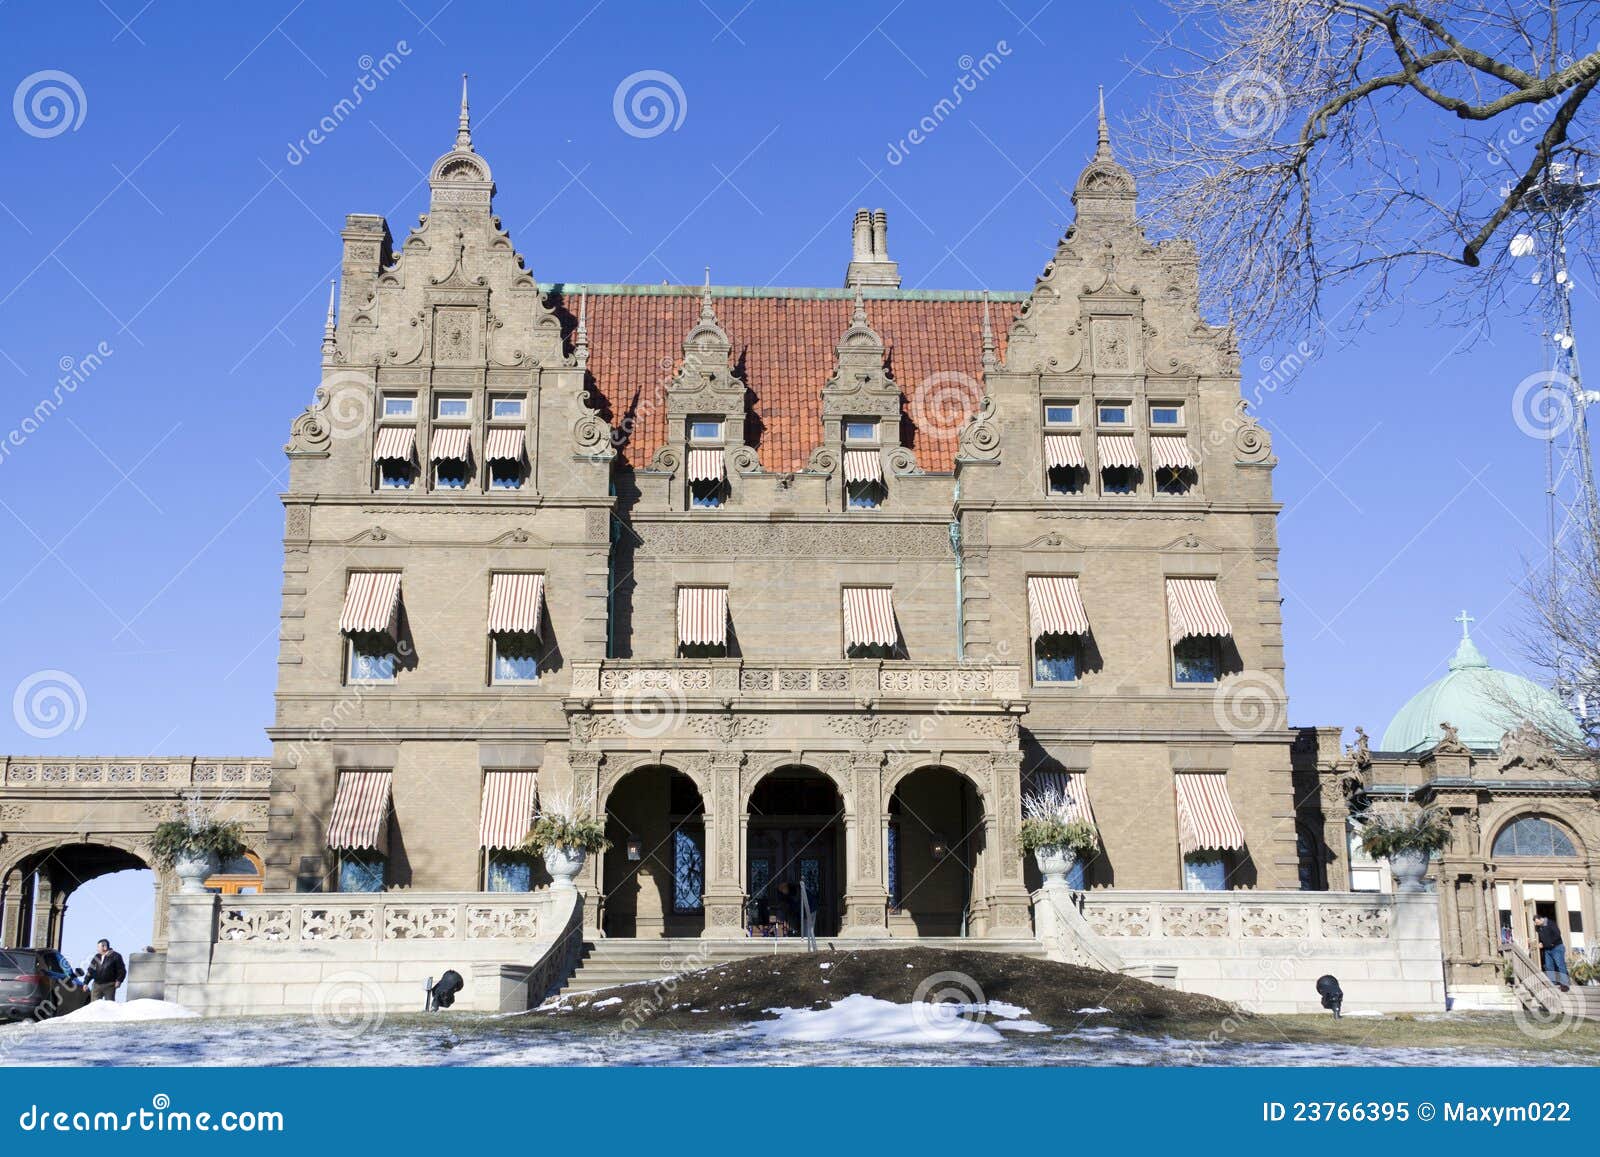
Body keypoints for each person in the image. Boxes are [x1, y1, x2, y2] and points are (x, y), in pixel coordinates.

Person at [1535, 916, 1571, 993]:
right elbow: (1542, 938)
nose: (1536, 924)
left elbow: (1557, 934)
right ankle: (1552, 983)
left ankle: (1565, 984)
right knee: (1548, 966)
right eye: (1535, 923)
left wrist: (1549, 943)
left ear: (1541, 919)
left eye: (1537, 922)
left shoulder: (1551, 923)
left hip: (1557, 947)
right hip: (1547, 949)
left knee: (1560, 965)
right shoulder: (1539, 928)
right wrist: (1541, 943)